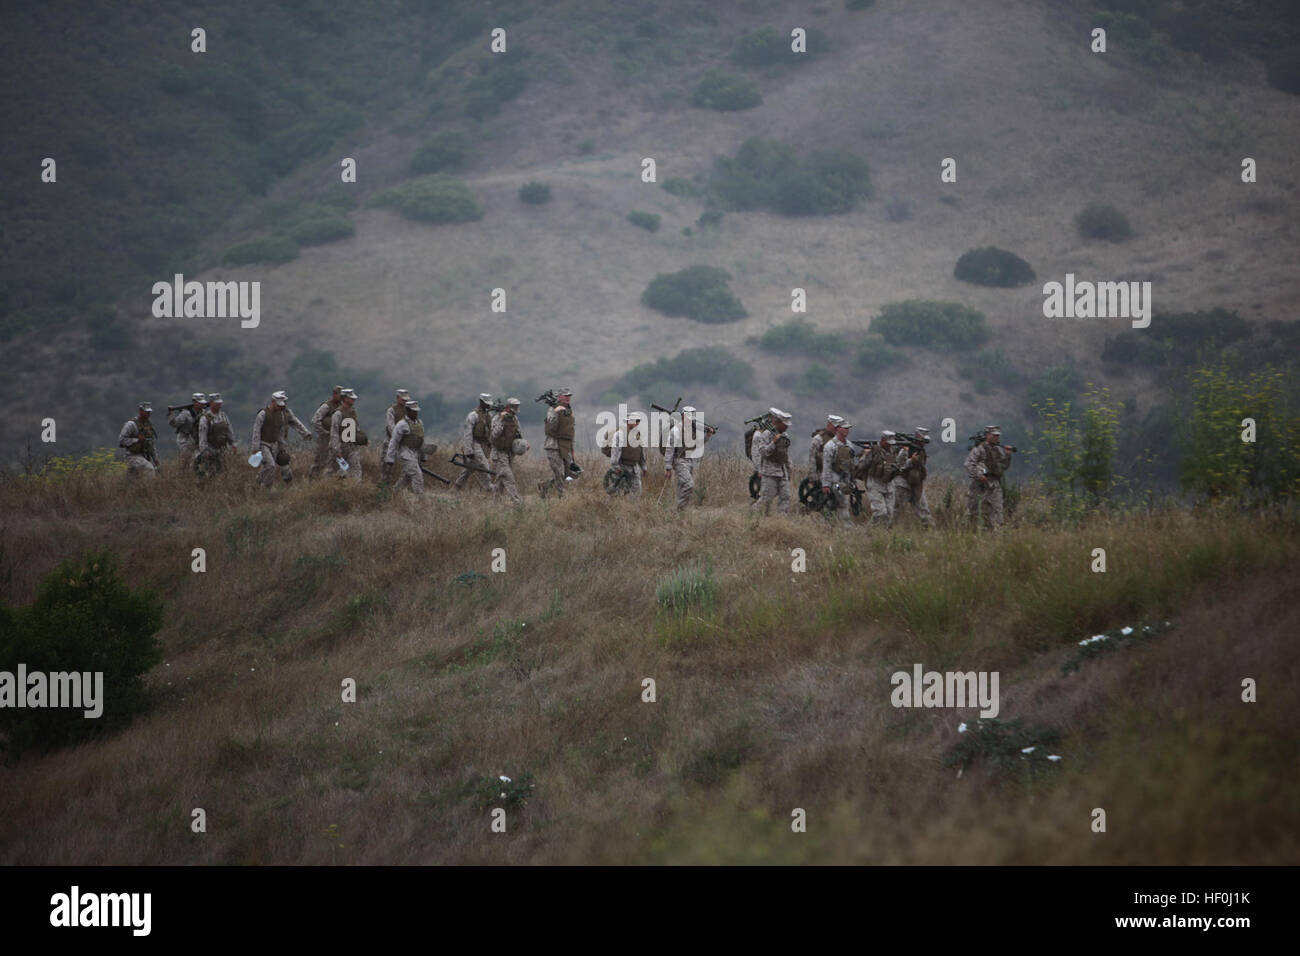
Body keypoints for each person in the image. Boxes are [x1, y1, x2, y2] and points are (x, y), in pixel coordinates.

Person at [250, 390, 312, 486]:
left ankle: (259, 482)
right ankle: (265, 487)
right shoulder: (263, 414)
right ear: (273, 401)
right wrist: (255, 448)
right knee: (271, 465)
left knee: (275, 464)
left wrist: (305, 433)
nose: (280, 407)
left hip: (276, 444)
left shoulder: (283, 414)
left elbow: (294, 422)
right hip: (264, 444)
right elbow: (256, 431)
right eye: (278, 405)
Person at [965, 425, 1014, 531]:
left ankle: (997, 534)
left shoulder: (998, 450)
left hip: (994, 484)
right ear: (987, 435)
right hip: (979, 485)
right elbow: (969, 464)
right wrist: (979, 475)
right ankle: (971, 532)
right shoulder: (979, 449)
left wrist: (1008, 456)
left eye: (998, 436)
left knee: (997, 510)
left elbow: (1003, 467)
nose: (997, 438)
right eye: (994, 435)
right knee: (974, 511)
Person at [664, 405, 713, 509]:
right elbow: (669, 449)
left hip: (689, 461)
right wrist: (668, 467)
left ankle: (677, 511)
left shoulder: (693, 430)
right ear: (682, 416)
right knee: (689, 484)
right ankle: (679, 508)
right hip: (679, 460)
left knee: (682, 486)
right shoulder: (676, 430)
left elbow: (698, 444)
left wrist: (707, 436)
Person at [752, 407, 793, 515]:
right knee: (766, 499)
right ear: (778, 423)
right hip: (769, 473)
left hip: (783, 472)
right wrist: (773, 443)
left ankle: (782, 519)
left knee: (786, 497)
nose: (787, 427)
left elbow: (785, 455)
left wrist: (789, 471)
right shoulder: (766, 434)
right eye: (785, 425)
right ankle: (753, 515)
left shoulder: (785, 436)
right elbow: (763, 452)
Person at [893, 427, 934, 528]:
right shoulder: (905, 448)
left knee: (923, 509)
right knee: (896, 509)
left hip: (917, 484)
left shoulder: (920, 450)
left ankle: (930, 529)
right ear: (918, 436)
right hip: (903, 483)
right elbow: (899, 464)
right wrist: (910, 460)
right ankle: (887, 529)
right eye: (922, 438)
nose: (924, 442)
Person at [540, 388, 577, 498]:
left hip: (565, 446)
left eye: (569, 396)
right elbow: (552, 427)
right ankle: (562, 497)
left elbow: (570, 430)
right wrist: (556, 412)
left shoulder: (569, 411)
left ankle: (545, 486)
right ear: (559, 397)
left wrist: (571, 448)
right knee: (559, 473)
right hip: (553, 446)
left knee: (568, 474)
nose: (568, 398)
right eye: (565, 396)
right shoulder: (552, 410)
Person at [454, 393, 496, 491]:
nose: (488, 405)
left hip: (484, 445)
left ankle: (457, 486)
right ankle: (489, 488)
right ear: (481, 402)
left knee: (470, 467)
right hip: (474, 443)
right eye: (486, 403)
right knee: (484, 466)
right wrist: (469, 451)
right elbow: (467, 434)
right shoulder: (473, 415)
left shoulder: (489, 415)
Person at [857, 430, 899, 527]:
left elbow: (896, 467)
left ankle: (874, 532)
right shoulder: (874, 451)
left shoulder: (892, 452)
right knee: (881, 512)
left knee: (889, 513)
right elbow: (861, 466)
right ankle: (874, 532)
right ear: (883, 440)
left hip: (888, 485)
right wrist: (866, 455)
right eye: (888, 443)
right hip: (875, 485)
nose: (890, 445)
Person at [385, 399, 425, 494]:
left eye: (416, 411)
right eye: (413, 411)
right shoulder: (402, 425)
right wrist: (390, 459)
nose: (415, 413)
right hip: (405, 453)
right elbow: (394, 442)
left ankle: (393, 494)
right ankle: (420, 499)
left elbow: (421, 439)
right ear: (407, 411)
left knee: (406, 477)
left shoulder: (419, 423)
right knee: (417, 475)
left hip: (415, 453)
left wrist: (423, 456)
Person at [489, 398, 525, 503]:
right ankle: (517, 501)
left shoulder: (514, 419)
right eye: (514, 406)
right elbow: (494, 435)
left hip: (509, 453)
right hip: (499, 453)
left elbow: (518, 433)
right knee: (508, 477)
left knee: (500, 479)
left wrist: (523, 444)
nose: (516, 409)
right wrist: (502, 420)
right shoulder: (497, 418)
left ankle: (495, 502)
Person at [820, 420, 855, 523]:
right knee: (840, 503)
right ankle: (846, 527)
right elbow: (826, 466)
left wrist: (852, 481)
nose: (847, 430)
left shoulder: (849, 445)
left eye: (848, 428)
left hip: (845, 480)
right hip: (833, 480)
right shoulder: (830, 446)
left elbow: (851, 465)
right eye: (845, 428)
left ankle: (832, 525)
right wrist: (825, 484)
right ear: (838, 429)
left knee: (837, 504)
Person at [196, 392, 237, 477]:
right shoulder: (205, 418)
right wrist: (204, 451)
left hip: (222, 450)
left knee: (224, 473)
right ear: (211, 403)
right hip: (210, 450)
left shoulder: (223, 416)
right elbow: (202, 437)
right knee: (211, 473)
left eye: (220, 404)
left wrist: (233, 444)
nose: (219, 406)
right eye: (217, 404)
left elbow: (229, 431)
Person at [608, 411, 648, 497]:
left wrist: (643, 467)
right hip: (622, 466)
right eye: (636, 421)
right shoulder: (620, 434)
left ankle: (633, 509)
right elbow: (615, 451)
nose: (637, 423)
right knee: (618, 491)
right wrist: (615, 466)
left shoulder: (637, 435)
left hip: (634, 468)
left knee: (637, 491)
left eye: (638, 421)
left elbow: (641, 452)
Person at [309, 385, 344, 478]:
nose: (342, 398)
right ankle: (313, 481)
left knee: (338, 459)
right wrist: (324, 432)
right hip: (325, 439)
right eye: (340, 396)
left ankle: (335, 481)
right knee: (320, 461)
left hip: (336, 438)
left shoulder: (341, 406)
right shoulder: (326, 406)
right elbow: (315, 420)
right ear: (334, 394)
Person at [330, 388, 364, 481]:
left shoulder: (352, 412)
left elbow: (356, 428)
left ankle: (355, 490)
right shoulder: (338, 413)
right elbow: (334, 433)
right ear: (344, 398)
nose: (353, 400)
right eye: (351, 398)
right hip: (341, 447)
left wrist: (360, 438)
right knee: (341, 473)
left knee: (356, 471)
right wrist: (337, 451)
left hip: (352, 447)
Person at [118, 402, 160, 478]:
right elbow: (121, 440)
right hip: (132, 456)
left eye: (149, 412)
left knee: (132, 482)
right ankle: (150, 489)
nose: (148, 414)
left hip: (143, 456)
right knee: (150, 469)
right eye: (146, 412)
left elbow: (151, 444)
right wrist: (137, 440)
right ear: (140, 411)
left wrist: (156, 459)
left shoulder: (148, 425)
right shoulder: (131, 424)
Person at [168, 393, 207, 466]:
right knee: (186, 463)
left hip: (196, 441)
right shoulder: (186, 413)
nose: (202, 405)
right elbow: (174, 424)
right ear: (194, 402)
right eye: (199, 403)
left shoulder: (204, 413)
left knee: (198, 460)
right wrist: (171, 414)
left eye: (202, 403)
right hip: (185, 441)